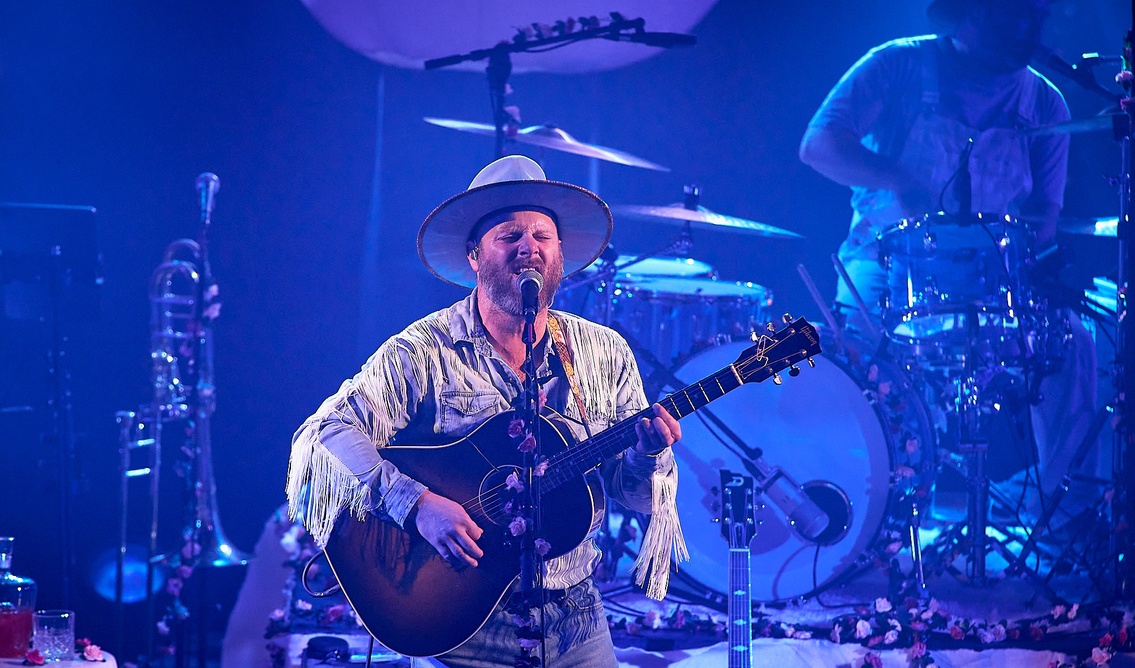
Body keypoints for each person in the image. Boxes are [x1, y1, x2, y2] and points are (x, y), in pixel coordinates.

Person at [285, 155, 686, 667]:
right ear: (475, 256)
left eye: (543, 237)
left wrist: (647, 456)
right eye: (510, 236)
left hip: (575, 621)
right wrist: (417, 504)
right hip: (454, 621)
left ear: (560, 254)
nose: (529, 248)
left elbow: (636, 497)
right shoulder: (425, 349)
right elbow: (324, 433)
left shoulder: (603, 352)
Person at [799, 0, 1100, 528]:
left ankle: (1058, 510)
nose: (1028, 28)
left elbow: (1043, 216)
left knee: (1073, 342)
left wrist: (1018, 258)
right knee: (868, 356)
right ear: (972, 16)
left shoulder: (1045, 103)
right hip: (887, 264)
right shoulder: (897, 65)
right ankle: (871, 513)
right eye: (1014, 15)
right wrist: (899, 180)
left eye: (1036, 17)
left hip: (992, 280)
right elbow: (818, 145)